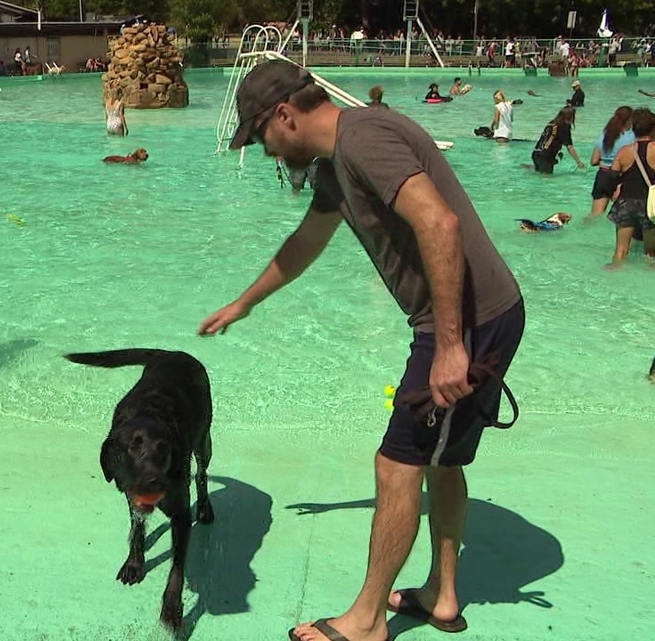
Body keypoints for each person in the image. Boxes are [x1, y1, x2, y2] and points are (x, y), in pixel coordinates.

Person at [206, 60, 524, 641]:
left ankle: (367, 619)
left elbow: (440, 223)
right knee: (440, 458)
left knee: (397, 465)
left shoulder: (364, 141)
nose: (267, 153)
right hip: (477, 317)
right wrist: (244, 303)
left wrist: (450, 345)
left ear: (284, 115)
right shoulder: (337, 161)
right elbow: (306, 240)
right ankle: (442, 596)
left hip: (466, 323)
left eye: (261, 137)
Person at [603, 108, 655, 268]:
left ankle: (612, 276)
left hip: (625, 203)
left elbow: (610, 177)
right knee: (650, 253)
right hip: (648, 205)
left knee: (621, 251)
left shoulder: (625, 151)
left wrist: (615, 190)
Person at [585, 106, 634, 223]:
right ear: (629, 120)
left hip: (604, 175)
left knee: (594, 216)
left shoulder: (604, 135)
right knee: (626, 220)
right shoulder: (631, 137)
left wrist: (604, 162)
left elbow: (593, 161)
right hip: (622, 178)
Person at [532, 106, 585, 174]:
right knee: (547, 180)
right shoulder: (564, 127)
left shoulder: (552, 123)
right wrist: (579, 162)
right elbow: (569, 147)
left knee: (539, 174)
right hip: (546, 157)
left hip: (536, 153)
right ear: (570, 116)